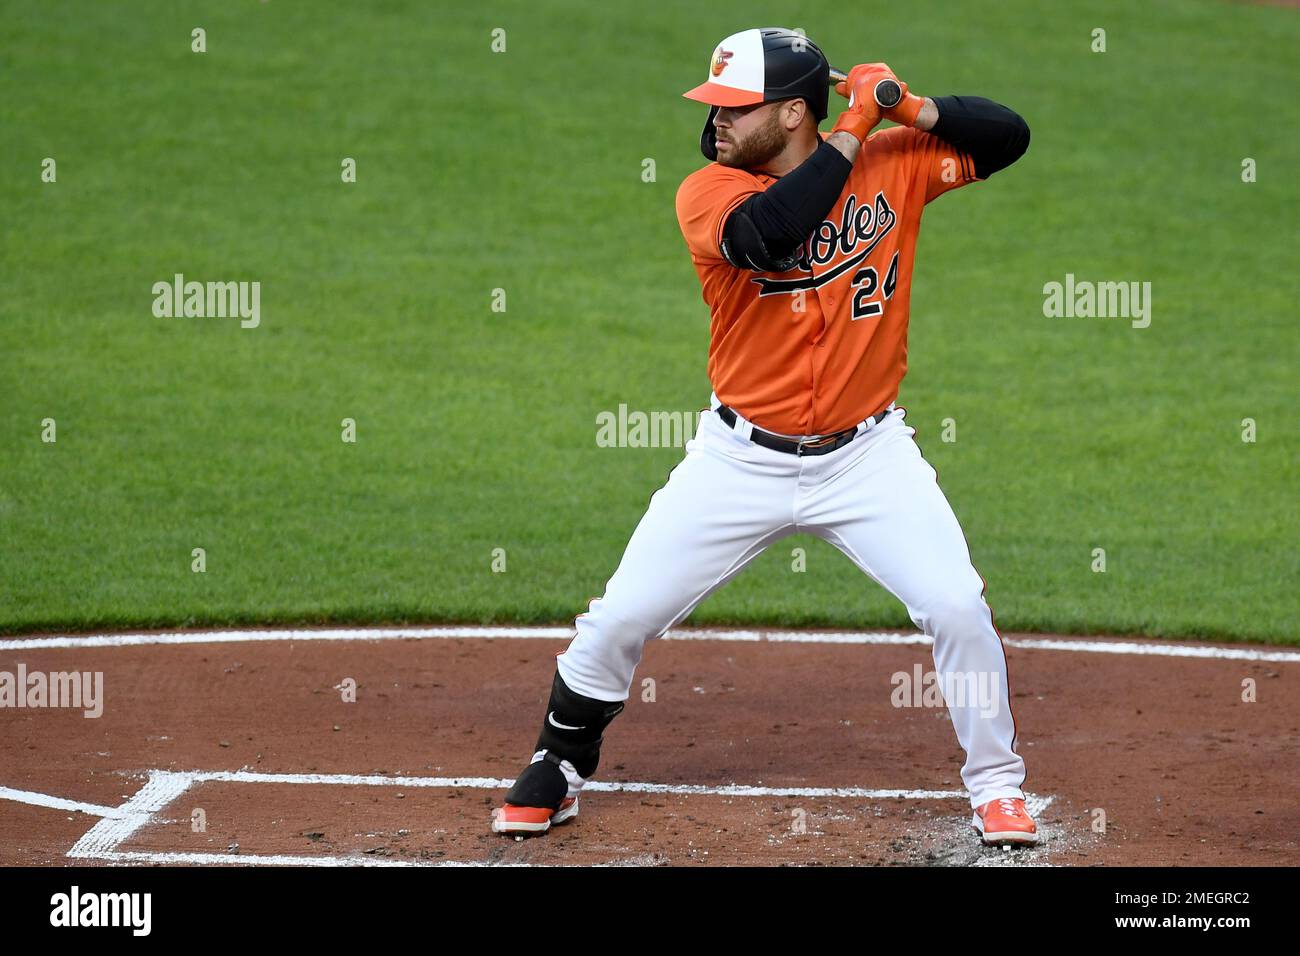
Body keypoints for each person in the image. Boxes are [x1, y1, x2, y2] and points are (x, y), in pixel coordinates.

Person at [492, 27, 1038, 847]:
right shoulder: (708, 192)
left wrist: (910, 107)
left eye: (732, 108)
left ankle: (997, 788)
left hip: (869, 457)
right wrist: (854, 127)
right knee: (618, 618)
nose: (714, 121)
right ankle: (559, 765)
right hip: (738, 460)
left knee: (958, 605)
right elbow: (771, 233)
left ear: (791, 114)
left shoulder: (896, 163)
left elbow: (1010, 137)